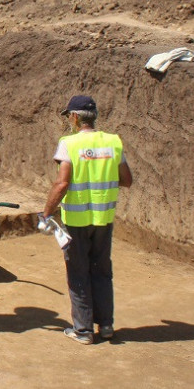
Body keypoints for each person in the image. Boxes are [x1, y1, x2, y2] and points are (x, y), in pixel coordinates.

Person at [42, 95, 132, 345]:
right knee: (102, 271)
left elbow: (62, 183)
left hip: (77, 221)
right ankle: (106, 325)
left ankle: (82, 330)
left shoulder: (68, 144)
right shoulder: (113, 142)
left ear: (74, 117)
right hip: (103, 219)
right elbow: (126, 179)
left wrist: (47, 212)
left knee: (78, 272)